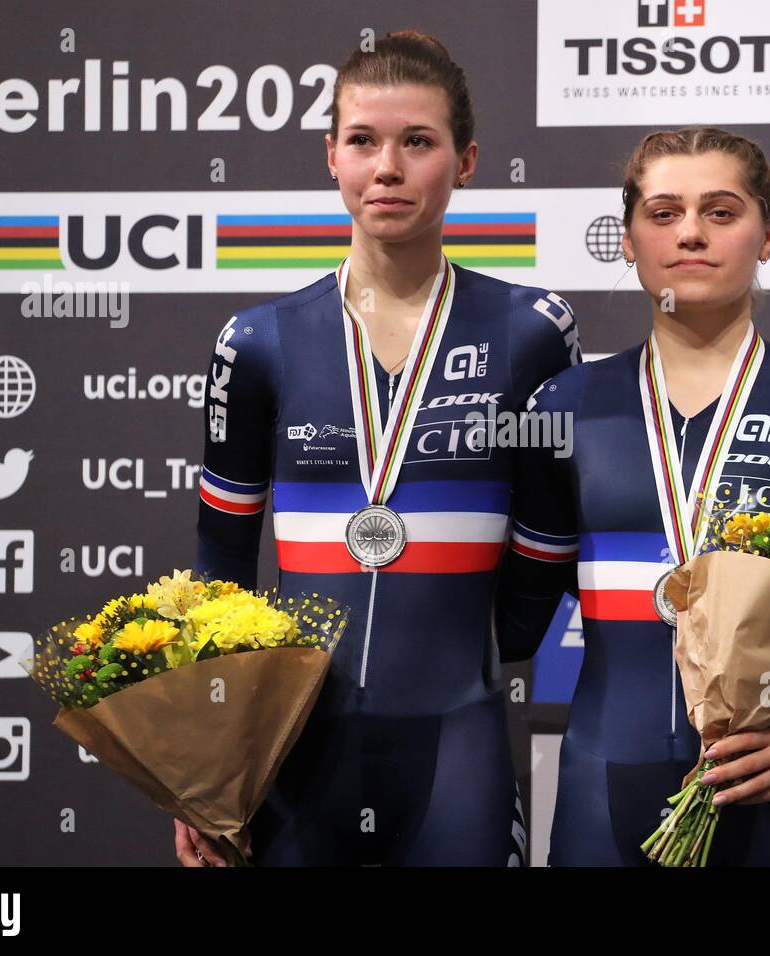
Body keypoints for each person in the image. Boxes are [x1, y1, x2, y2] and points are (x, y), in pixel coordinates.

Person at [176, 30, 580, 867]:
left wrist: (480, 652)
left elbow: (548, 547)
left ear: (466, 161)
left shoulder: (533, 332)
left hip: (459, 741)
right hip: (290, 753)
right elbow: (222, 561)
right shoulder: (258, 342)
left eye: (418, 142)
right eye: (363, 140)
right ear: (332, 155)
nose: (387, 168)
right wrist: (207, 759)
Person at [497, 127, 770, 866]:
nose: (690, 232)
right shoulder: (564, 412)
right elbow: (513, 620)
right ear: (628, 240)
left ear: (767, 237)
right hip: (600, 800)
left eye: (721, 212)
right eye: (664, 213)